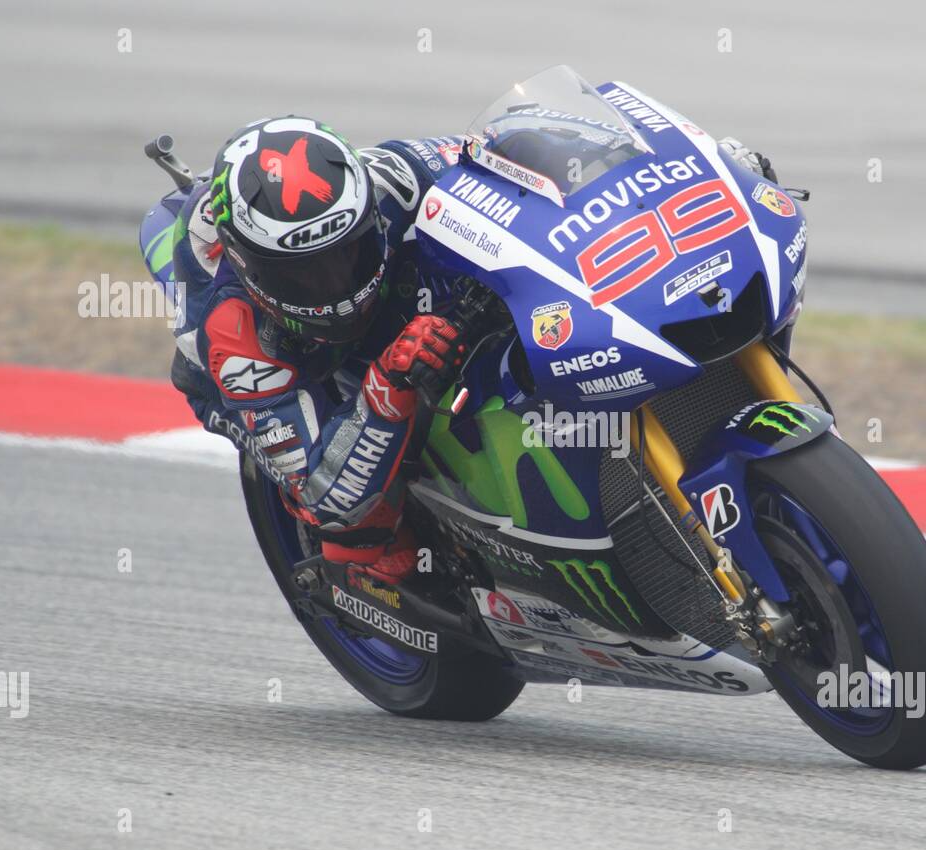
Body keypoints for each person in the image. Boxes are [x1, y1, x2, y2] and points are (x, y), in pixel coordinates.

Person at [168, 114, 774, 587]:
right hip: (300, 374)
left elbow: (514, 162)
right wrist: (389, 381)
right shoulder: (232, 337)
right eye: (306, 276)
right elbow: (330, 492)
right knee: (363, 534)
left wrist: (699, 175)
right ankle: (372, 569)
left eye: (348, 254)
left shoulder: (390, 179)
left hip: (403, 311)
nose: (335, 285)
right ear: (252, 268)